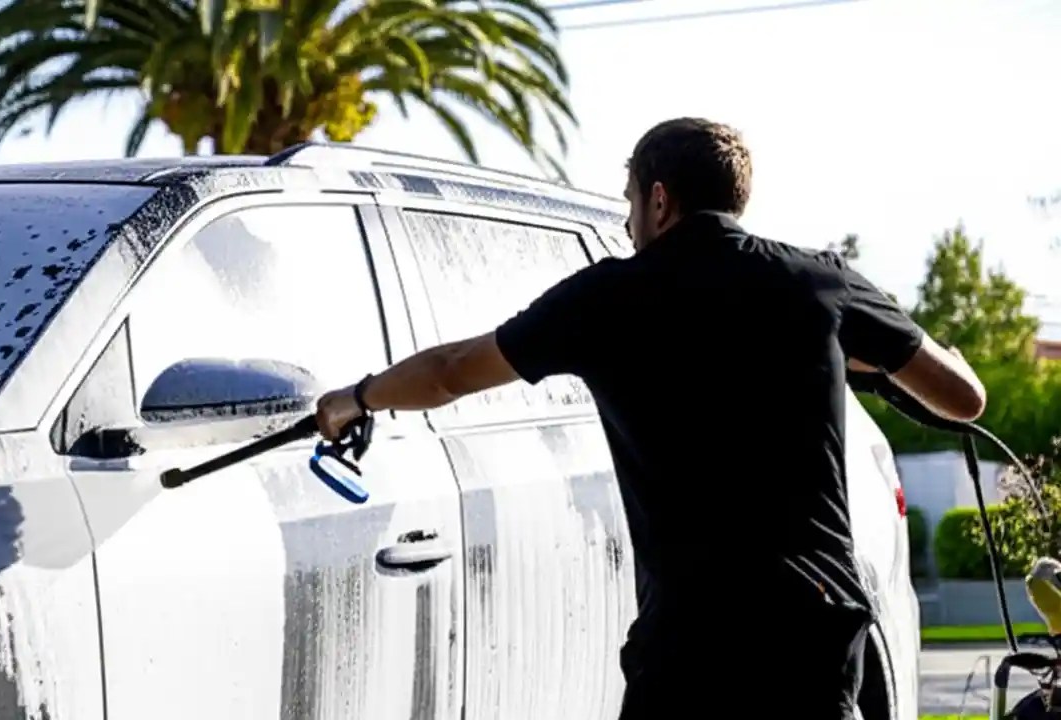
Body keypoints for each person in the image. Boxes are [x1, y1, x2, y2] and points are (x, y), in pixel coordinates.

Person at [313, 117, 986, 718]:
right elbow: (963, 400)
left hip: (689, 644)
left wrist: (358, 397)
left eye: (629, 204)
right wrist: (898, 354)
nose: (629, 224)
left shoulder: (605, 300)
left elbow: (451, 371)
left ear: (658, 199)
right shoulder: (819, 282)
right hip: (812, 634)